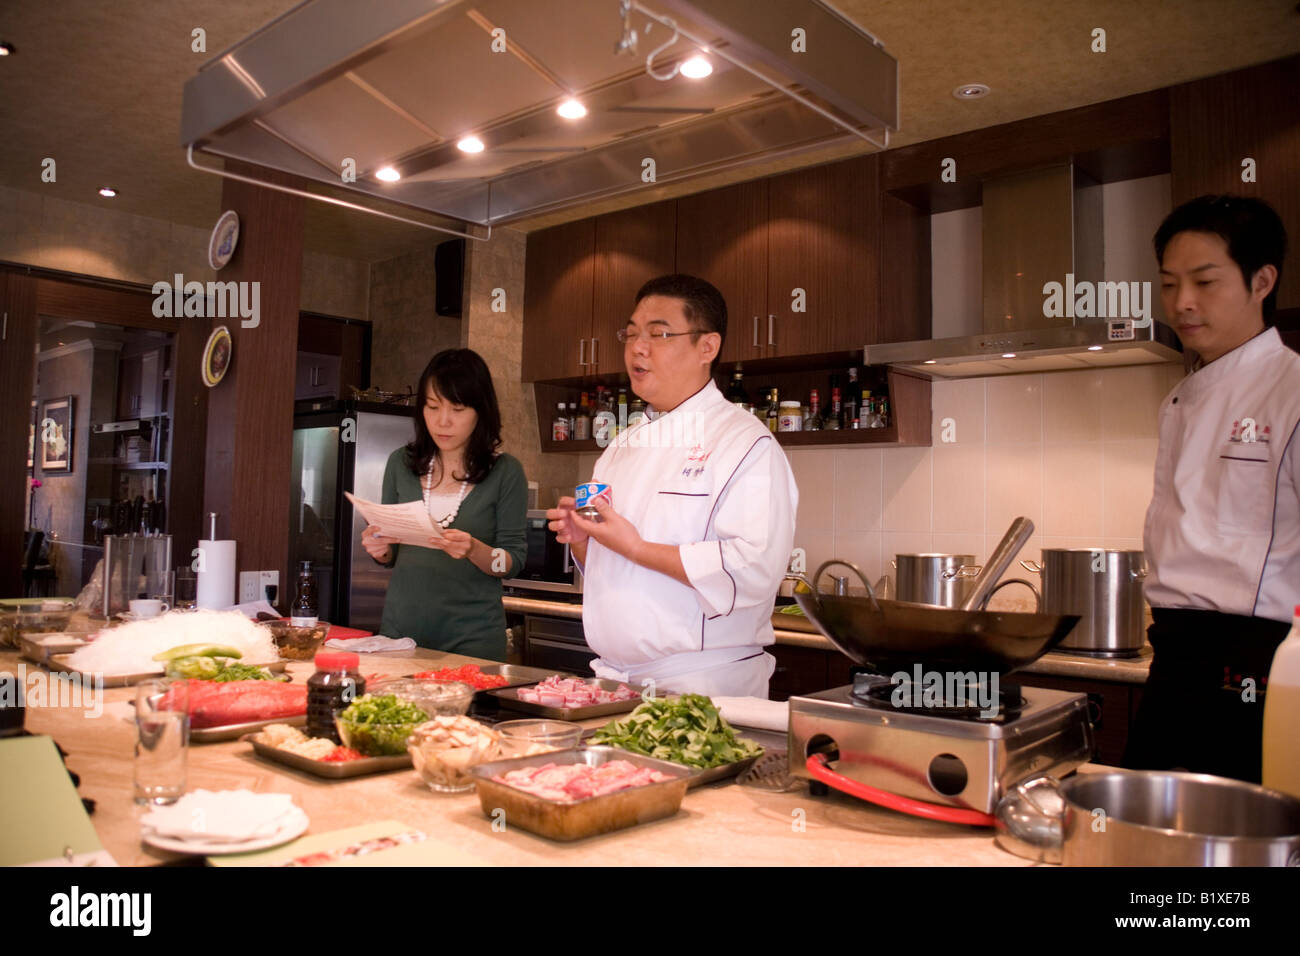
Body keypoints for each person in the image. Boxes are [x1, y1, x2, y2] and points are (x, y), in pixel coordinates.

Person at [547, 274, 798, 698]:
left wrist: (636, 547)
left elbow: (753, 570)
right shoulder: (620, 446)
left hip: (702, 685)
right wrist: (582, 542)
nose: (637, 348)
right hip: (613, 680)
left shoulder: (746, 443)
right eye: (630, 335)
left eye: (659, 334)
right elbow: (614, 569)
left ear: (707, 347)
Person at [1124, 195, 1298, 783]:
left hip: (1253, 663)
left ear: (1262, 281)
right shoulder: (1180, 397)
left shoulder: (1291, 391)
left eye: (1204, 281)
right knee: (1146, 834)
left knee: (1237, 845)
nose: (1182, 303)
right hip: (1174, 656)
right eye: (1170, 284)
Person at [360, 348, 528, 660]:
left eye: (458, 409)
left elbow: (511, 562)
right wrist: (380, 550)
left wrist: (474, 550)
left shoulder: (505, 472)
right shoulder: (401, 463)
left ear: (481, 411)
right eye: (433, 407)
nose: (443, 421)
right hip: (401, 634)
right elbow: (392, 552)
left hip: (472, 641)